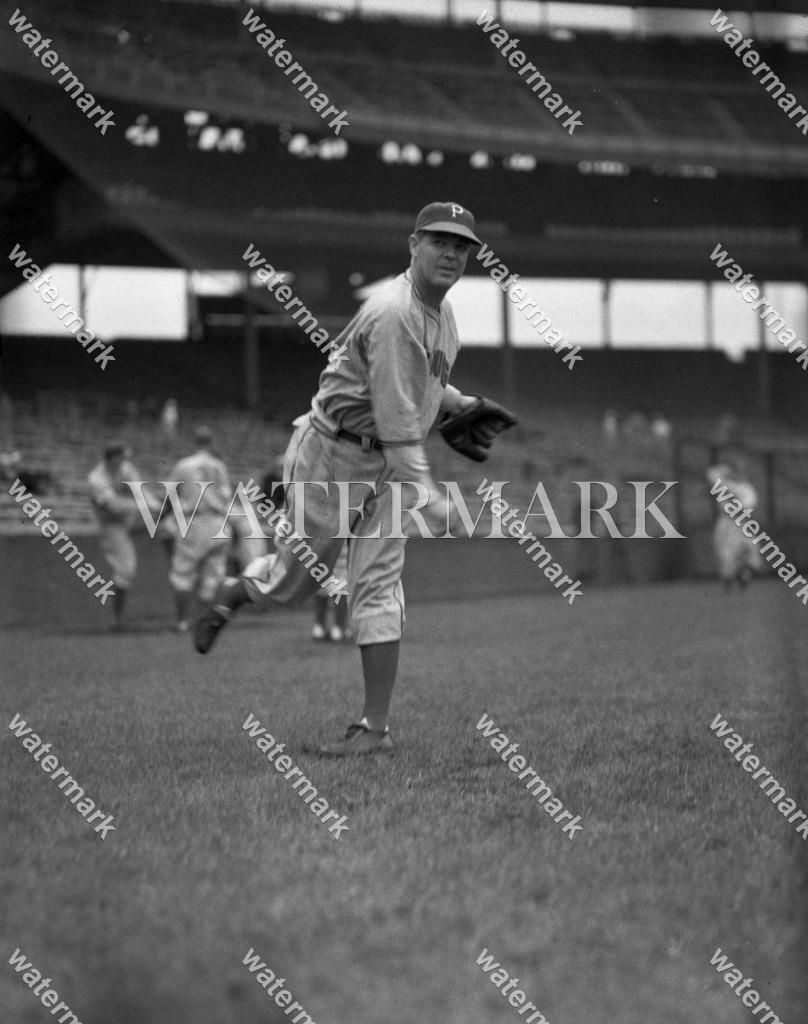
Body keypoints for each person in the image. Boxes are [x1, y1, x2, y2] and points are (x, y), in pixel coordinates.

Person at [195, 201, 510, 756]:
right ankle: (235, 591)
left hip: (385, 463)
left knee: (379, 586)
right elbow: (395, 423)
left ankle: (374, 729)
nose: (451, 253)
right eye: (439, 240)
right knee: (295, 584)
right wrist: (430, 496)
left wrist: (459, 401)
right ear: (413, 244)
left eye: (462, 245)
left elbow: (423, 391)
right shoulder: (393, 313)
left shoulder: (444, 315)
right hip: (331, 455)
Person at [167, 426, 231, 631]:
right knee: (213, 575)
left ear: (194, 442)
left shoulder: (183, 465)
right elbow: (226, 497)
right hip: (216, 522)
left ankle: (182, 621)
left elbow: (170, 495)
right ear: (211, 442)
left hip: (191, 521)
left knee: (182, 573)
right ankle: (203, 620)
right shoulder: (219, 466)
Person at [87, 443, 141, 629]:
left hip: (129, 519)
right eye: (121, 456)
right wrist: (141, 509)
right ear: (112, 458)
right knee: (126, 570)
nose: (125, 460)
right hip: (111, 526)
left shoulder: (126, 468)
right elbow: (113, 507)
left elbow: (138, 491)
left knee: (172, 530)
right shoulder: (96, 478)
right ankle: (117, 620)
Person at [706, 457, 764, 590]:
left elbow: (747, 506)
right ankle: (730, 580)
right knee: (725, 554)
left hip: (742, 522)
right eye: (736, 469)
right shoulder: (725, 482)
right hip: (726, 522)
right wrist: (726, 470)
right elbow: (710, 473)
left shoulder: (747, 489)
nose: (738, 473)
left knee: (752, 555)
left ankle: (744, 575)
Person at [312, 542, 351, 642]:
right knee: (341, 586)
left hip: (322, 547)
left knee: (321, 584)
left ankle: (319, 627)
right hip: (341, 548)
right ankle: (338, 628)